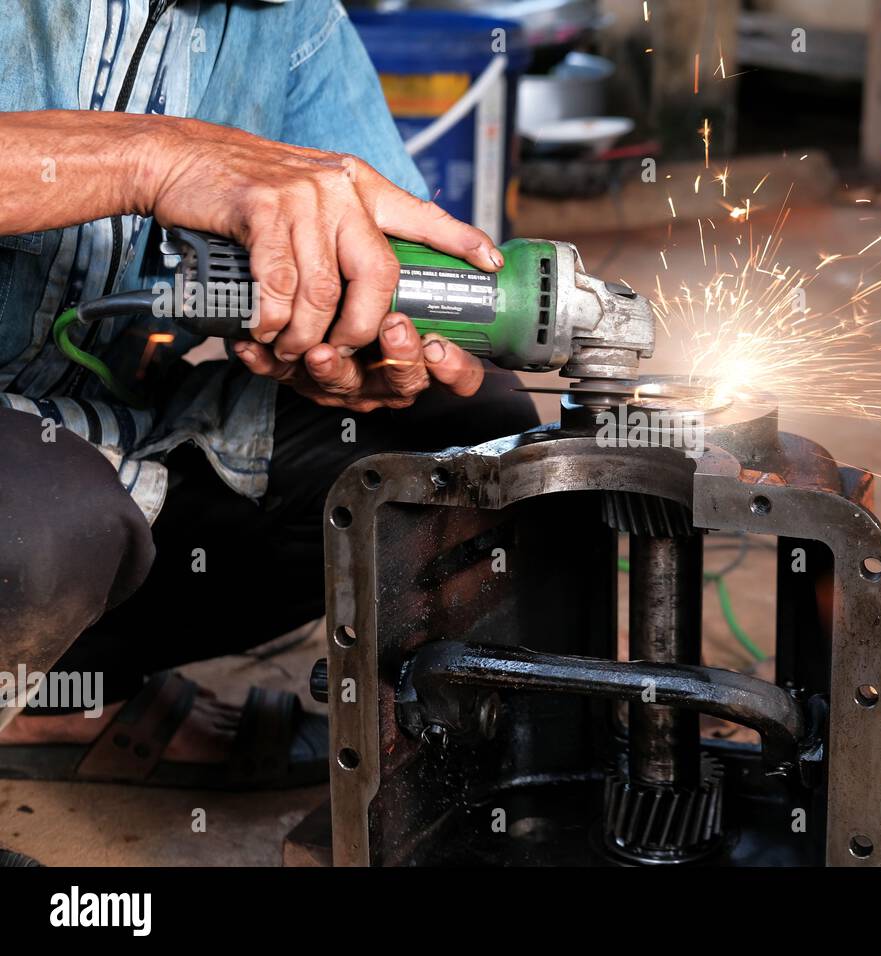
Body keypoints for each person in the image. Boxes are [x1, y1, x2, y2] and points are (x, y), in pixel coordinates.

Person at [0, 1, 538, 788]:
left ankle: (55, 693)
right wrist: (157, 160)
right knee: (46, 519)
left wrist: (360, 340)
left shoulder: (291, 18)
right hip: (41, 514)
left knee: (467, 443)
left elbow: (384, 261)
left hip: (99, 475)